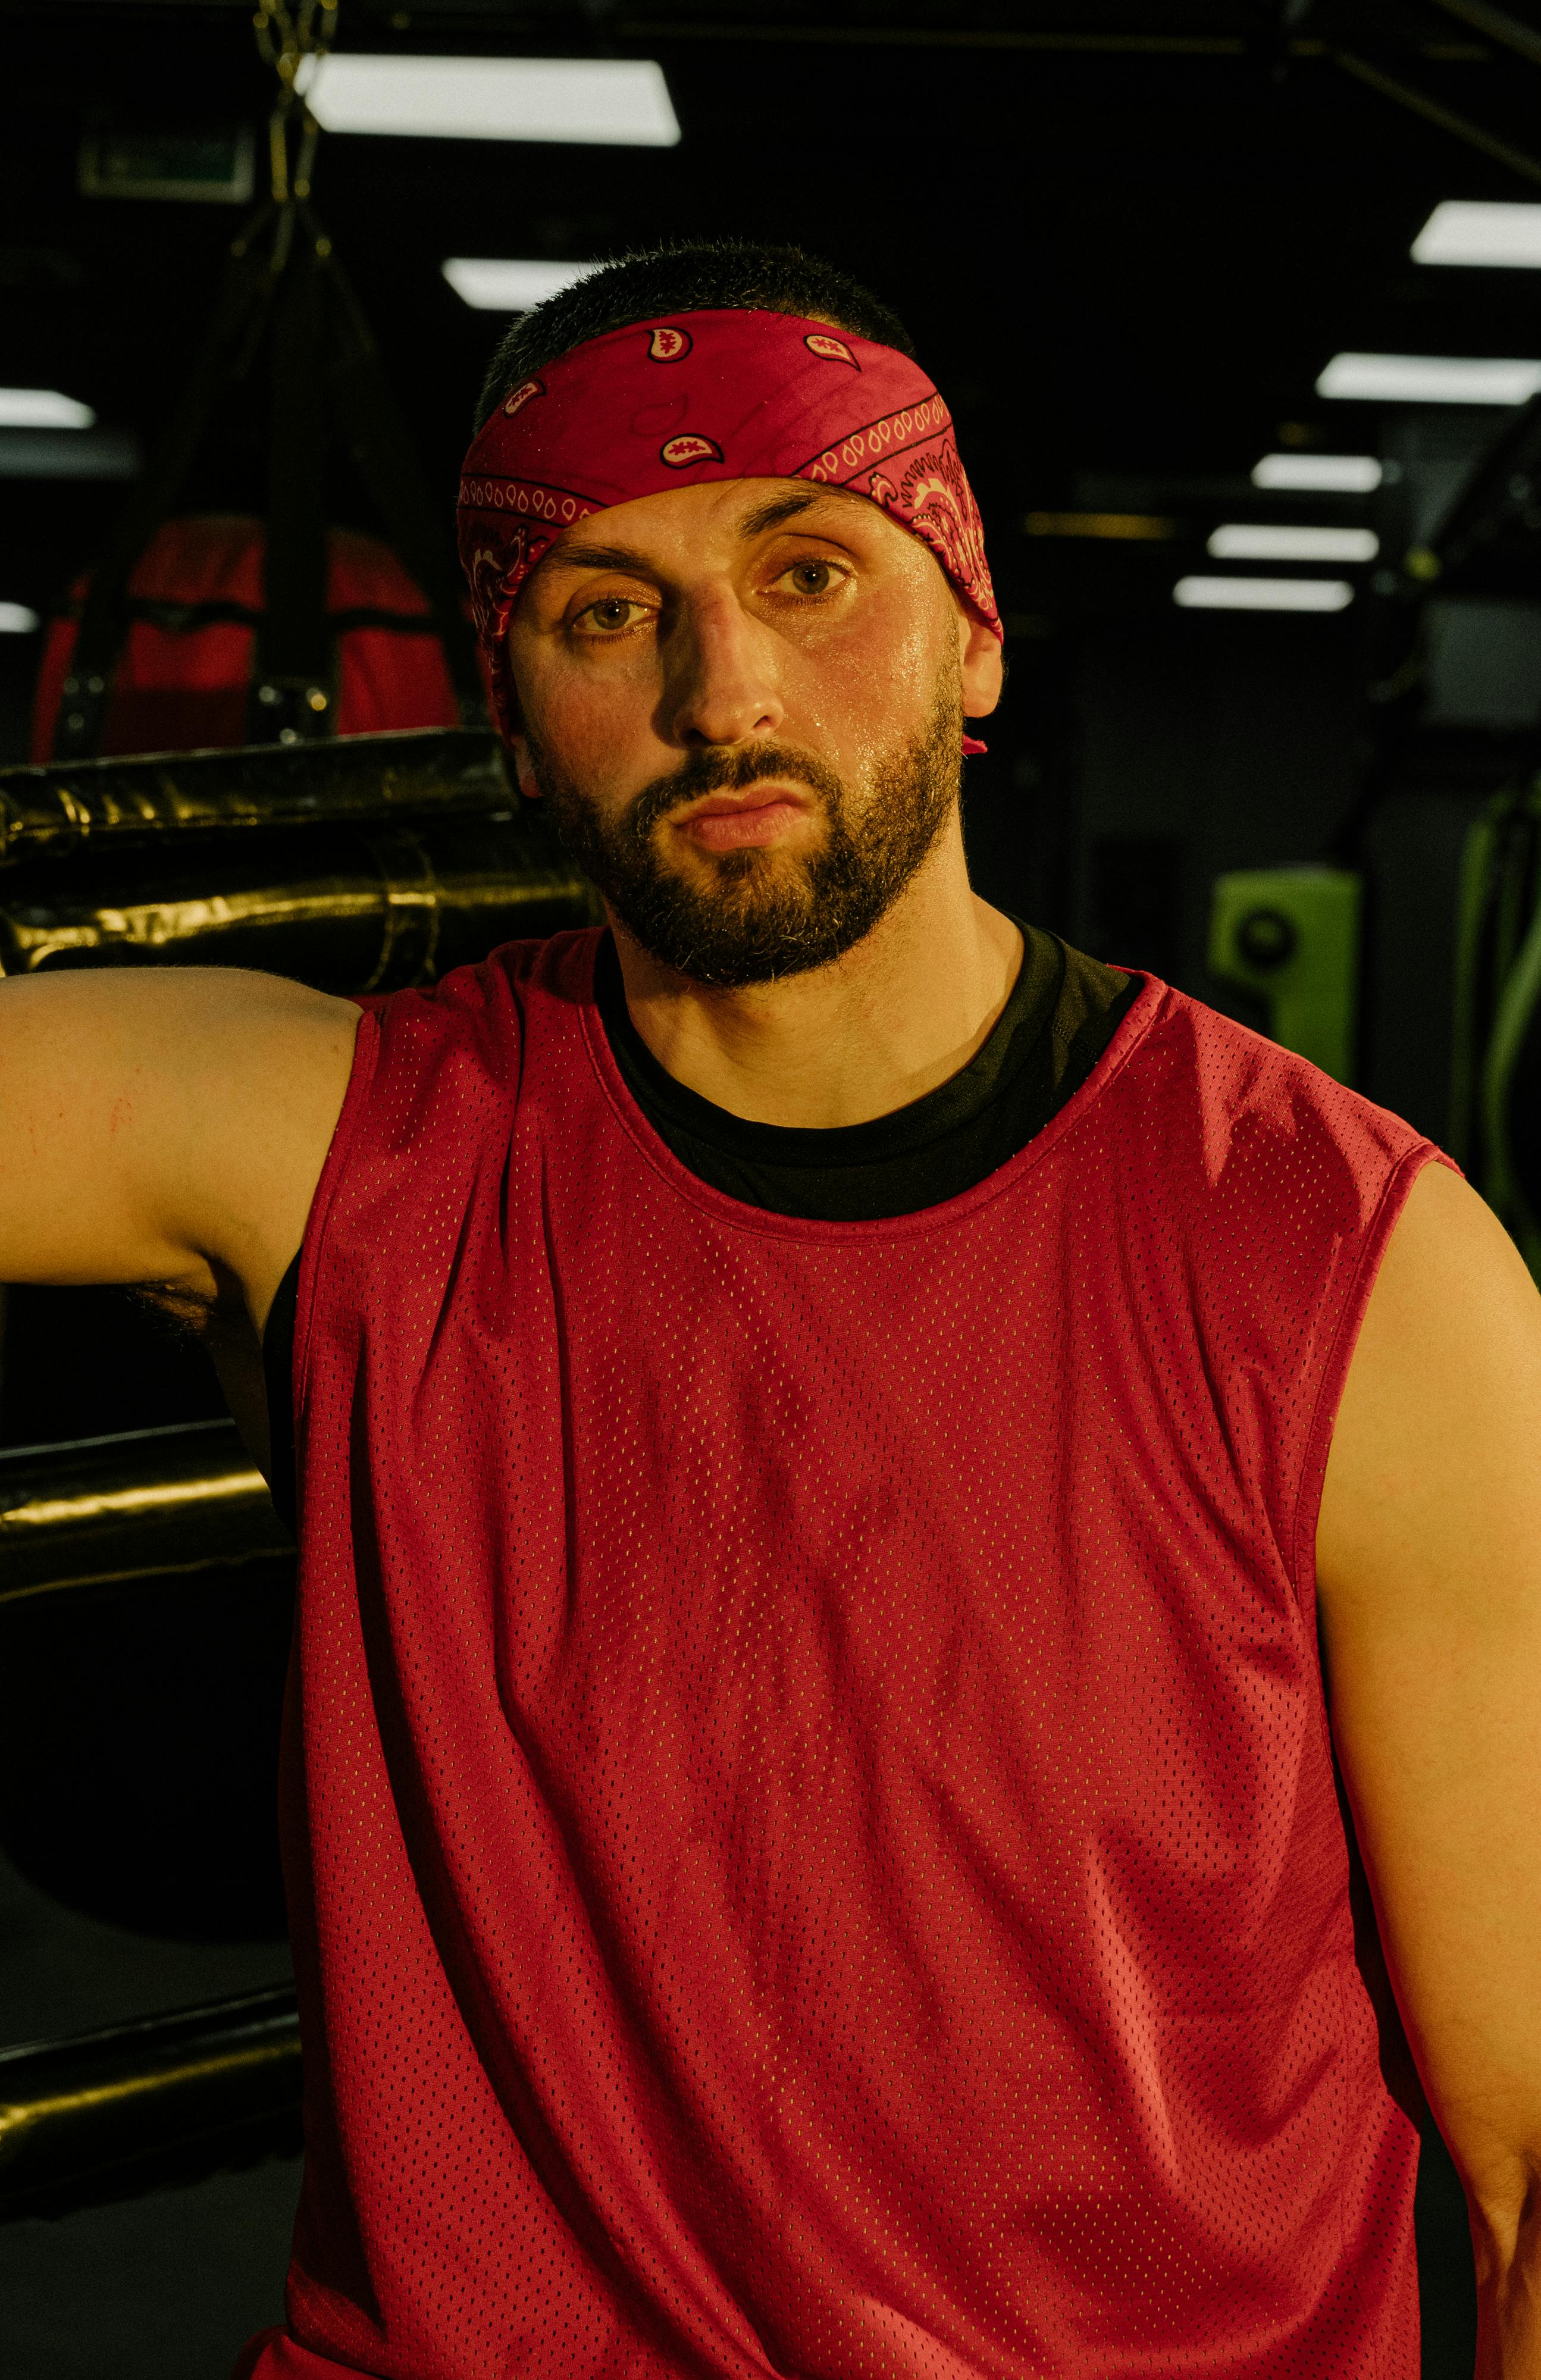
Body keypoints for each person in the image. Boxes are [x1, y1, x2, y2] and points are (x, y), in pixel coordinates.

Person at [4, 240, 1539, 2380]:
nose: (720, 693)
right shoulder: (342, 1149)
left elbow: (1531, 2152)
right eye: (605, 614)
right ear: (516, 723)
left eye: (810, 572)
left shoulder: (1352, 1258)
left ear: (974, 629)